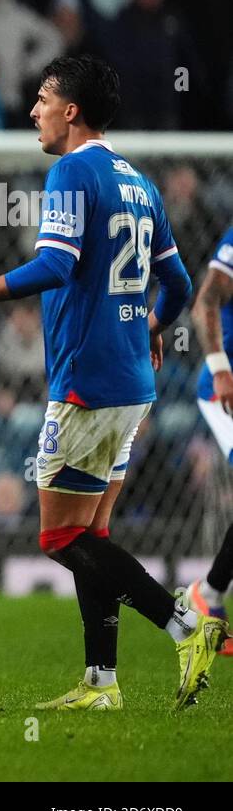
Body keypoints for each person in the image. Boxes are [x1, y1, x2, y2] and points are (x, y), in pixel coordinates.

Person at [0, 55, 225, 711]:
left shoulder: (71, 170)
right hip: (132, 381)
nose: (34, 111)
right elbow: (182, 285)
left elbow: (55, 263)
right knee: (92, 535)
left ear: (71, 110)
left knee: (58, 537)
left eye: (44, 99)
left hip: (86, 380)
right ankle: (101, 682)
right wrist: (154, 326)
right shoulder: (139, 181)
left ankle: (186, 625)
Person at [181, 225, 233, 655]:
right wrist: (220, 367)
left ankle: (211, 592)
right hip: (225, 386)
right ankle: (208, 594)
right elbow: (206, 302)